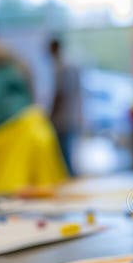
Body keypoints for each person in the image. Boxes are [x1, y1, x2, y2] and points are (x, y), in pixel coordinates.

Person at [48, 38, 83, 176]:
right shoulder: (69, 63)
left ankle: (69, 178)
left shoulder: (63, 66)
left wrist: (51, 114)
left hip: (64, 118)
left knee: (64, 156)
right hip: (72, 115)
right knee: (68, 153)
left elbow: (60, 94)